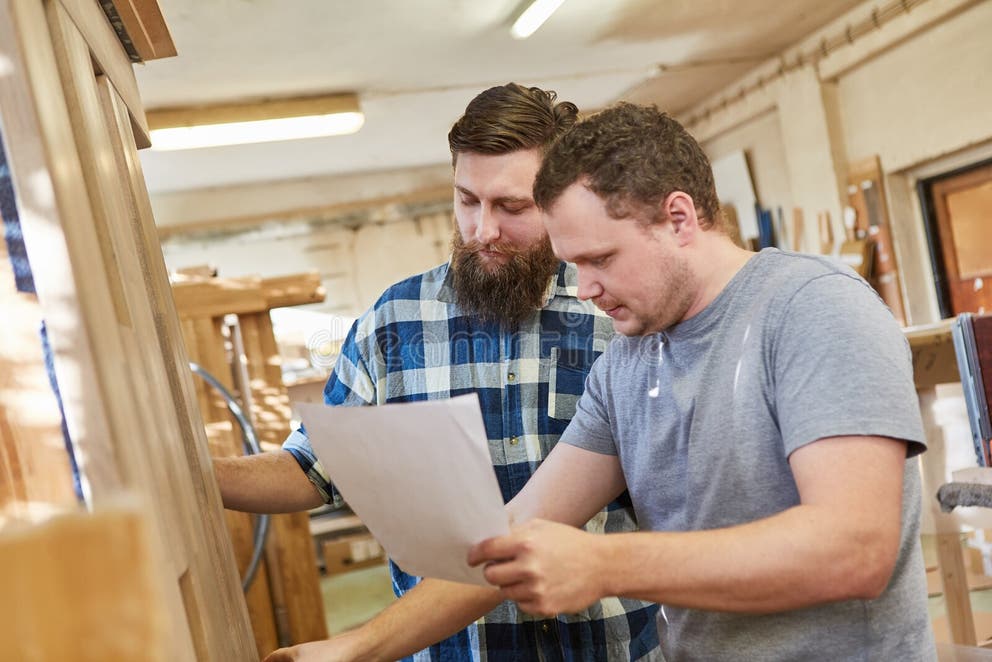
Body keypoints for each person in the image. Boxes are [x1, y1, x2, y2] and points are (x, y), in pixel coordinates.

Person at [464, 103, 936, 660]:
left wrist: (604, 564)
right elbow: (515, 529)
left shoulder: (813, 308)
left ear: (679, 219)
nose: (585, 288)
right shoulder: (625, 363)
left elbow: (854, 550)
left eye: (601, 259)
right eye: (574, 265)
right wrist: (357, 646)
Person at [219, 84, 661, 661]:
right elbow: (310, 470)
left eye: (511, 206)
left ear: (561, 199)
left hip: (612, 644)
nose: (482, 230)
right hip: (451, 649)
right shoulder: (393, 322)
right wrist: (196, 477)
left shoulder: (613, 310)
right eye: (467, 200)